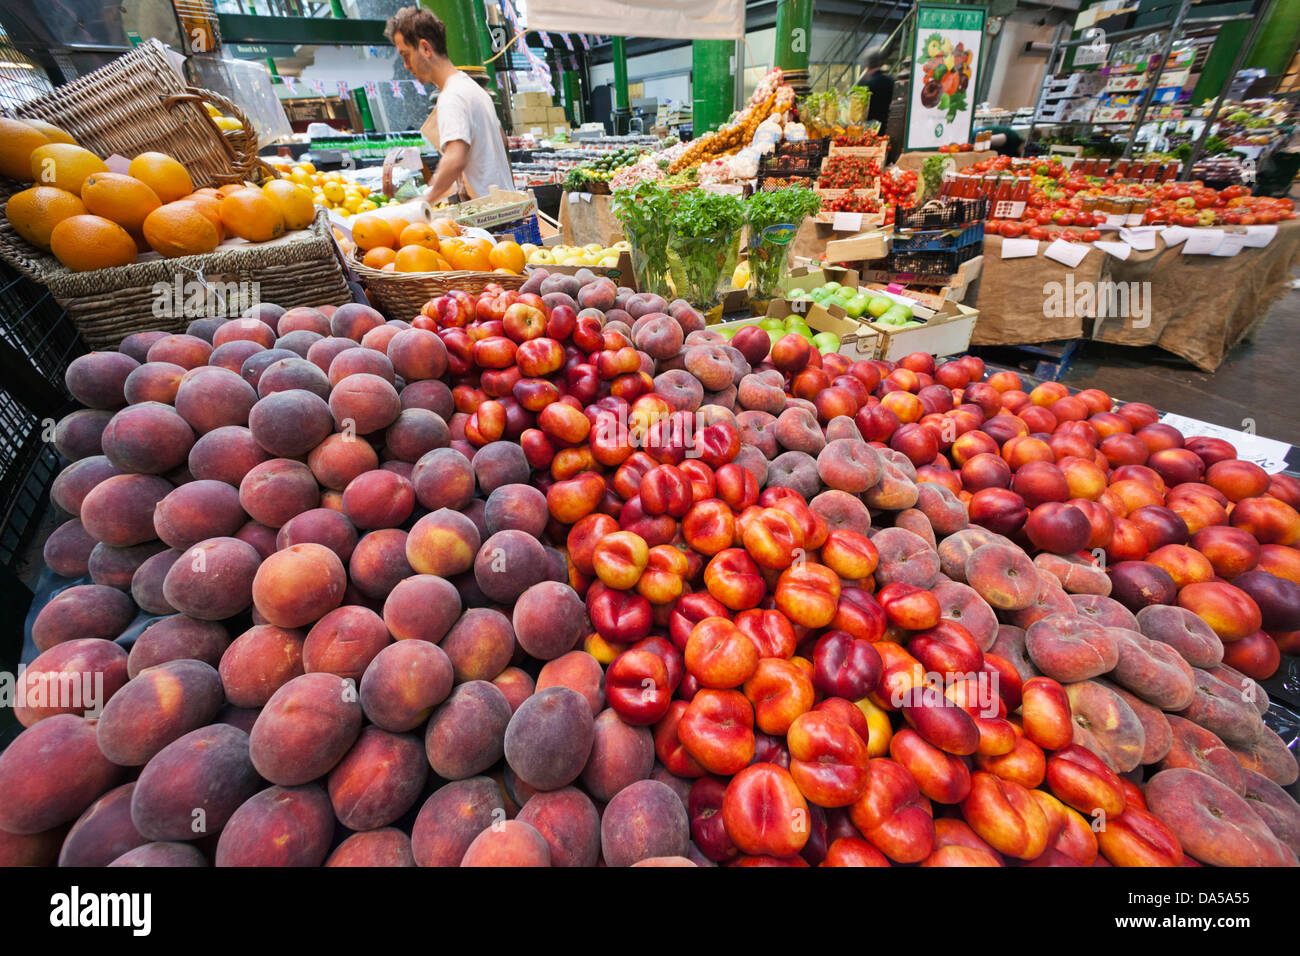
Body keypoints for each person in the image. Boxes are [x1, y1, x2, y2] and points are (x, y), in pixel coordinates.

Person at [385, 5, 514, 202]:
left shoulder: (451, 97)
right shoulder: (473, 88)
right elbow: (501, 139)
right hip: (507, 204)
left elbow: (455, 158)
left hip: (492, 216)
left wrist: (424, 201)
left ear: (425, 48)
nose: (406, 65)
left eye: (405, 55)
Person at [855, 48, 894, 130]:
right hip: (887, 128)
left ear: (867, 64)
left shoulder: (865, 86)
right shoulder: (891, 82)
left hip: (869, 132)